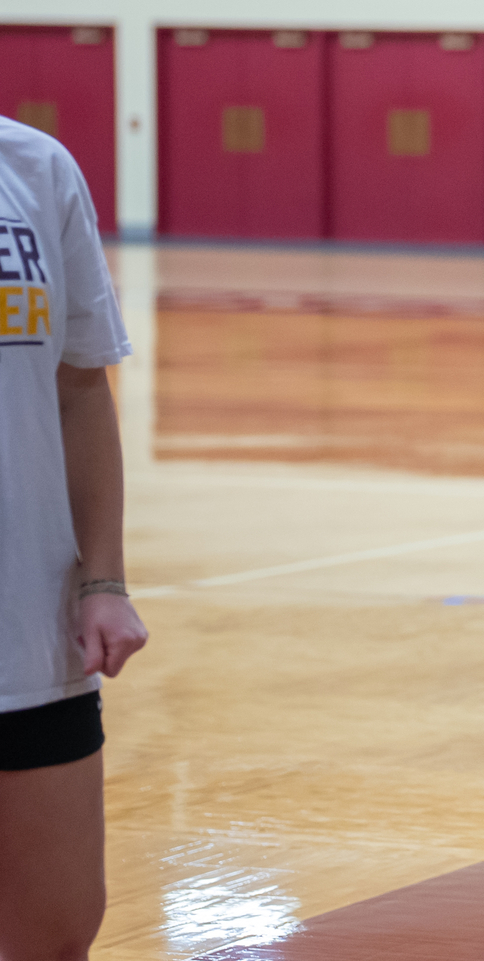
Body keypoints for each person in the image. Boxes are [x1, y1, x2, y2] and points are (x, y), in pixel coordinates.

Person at [0, 117, 149, 961]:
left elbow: (80, 388)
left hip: (31, 637)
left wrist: (103, 580)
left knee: (57, 932)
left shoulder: (35, 168)